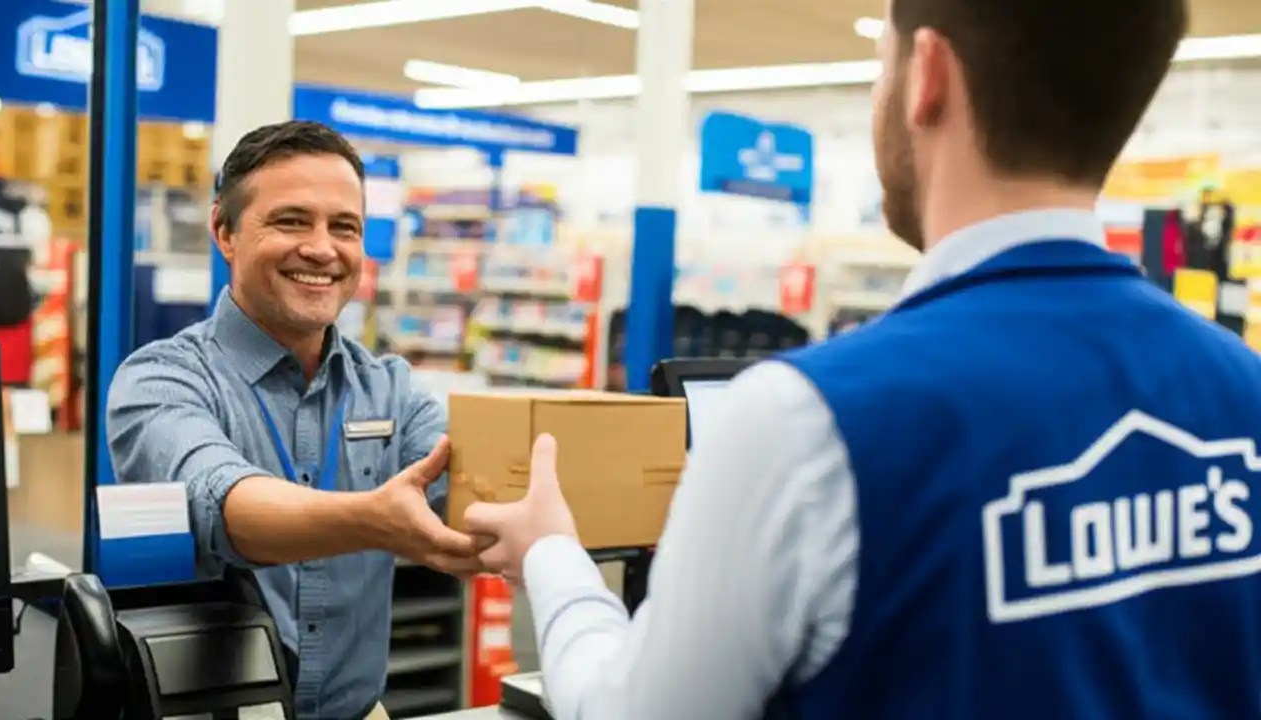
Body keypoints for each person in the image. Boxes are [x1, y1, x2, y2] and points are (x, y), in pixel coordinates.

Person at [467, 0, 1261, 718]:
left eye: (882, 68)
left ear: (928, 78)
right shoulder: (1243, 389)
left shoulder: (806, 420)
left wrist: (553, 557)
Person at [107, 120, 481, 720]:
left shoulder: (391, 388)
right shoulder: (160, 380)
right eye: (290, 221)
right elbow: (223, 506)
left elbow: (472, 486)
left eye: (344, 227)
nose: (321, 248)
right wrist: (376, 521)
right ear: (224, 232)